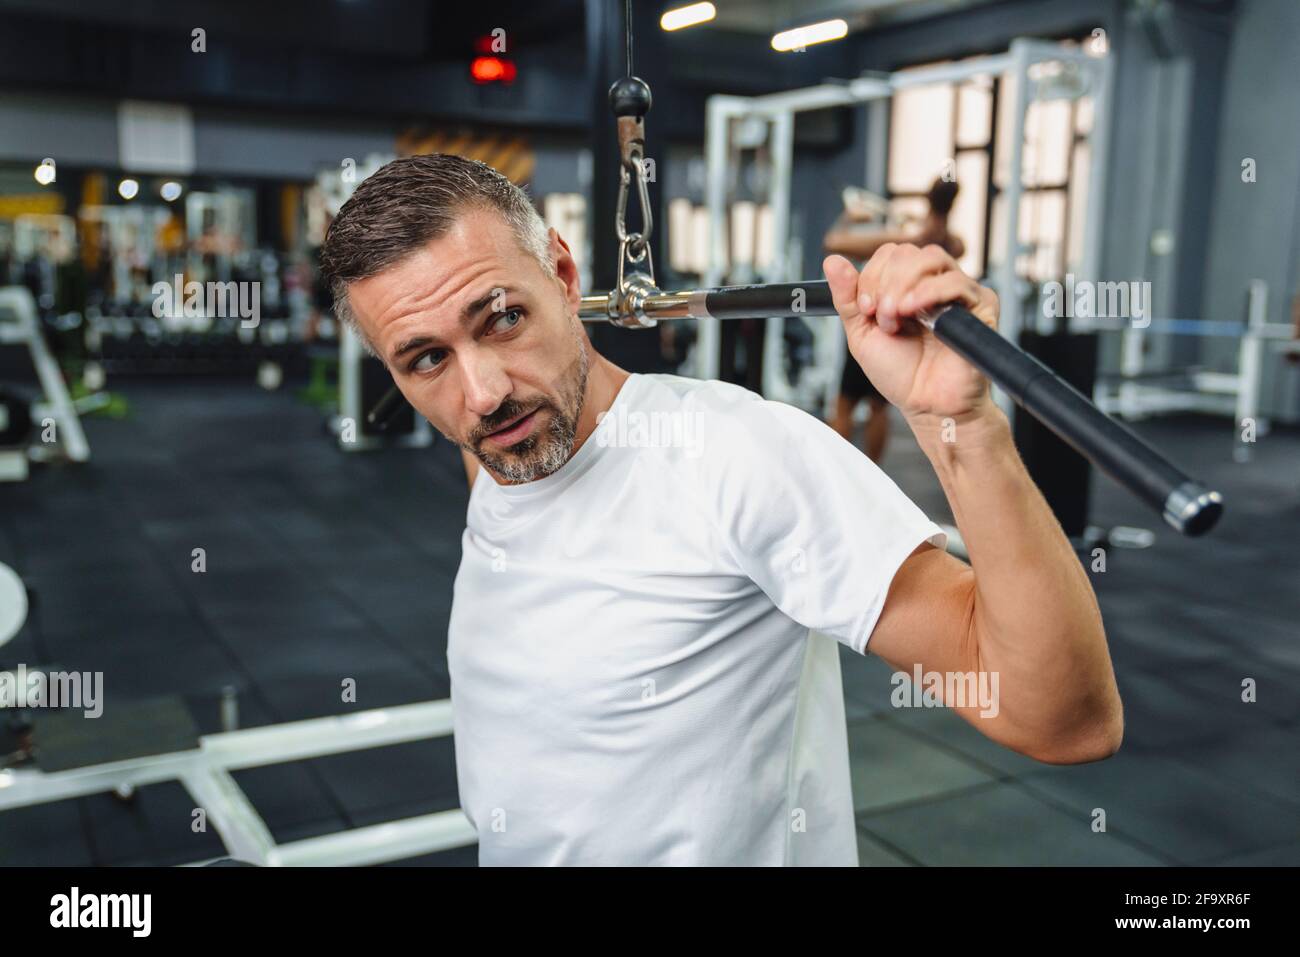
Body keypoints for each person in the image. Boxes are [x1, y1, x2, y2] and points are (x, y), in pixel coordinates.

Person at [320, 154, 1121, 867]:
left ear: (564, 277)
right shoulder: (497, 444)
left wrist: (964, 425)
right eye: (426, 357)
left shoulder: (732, 455)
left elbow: (1060, 718)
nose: (483, 392)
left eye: (502, 317)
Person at [823, 177, 966, 462]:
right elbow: (955, 247)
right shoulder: (950, 243)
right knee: (879, 406)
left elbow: (833, 241)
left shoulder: (906, 240)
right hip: (905, 329)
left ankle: (835, 469)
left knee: (844, 406)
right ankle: (874, 473)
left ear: (928, 197)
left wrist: (848, 217)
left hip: (874, 326)